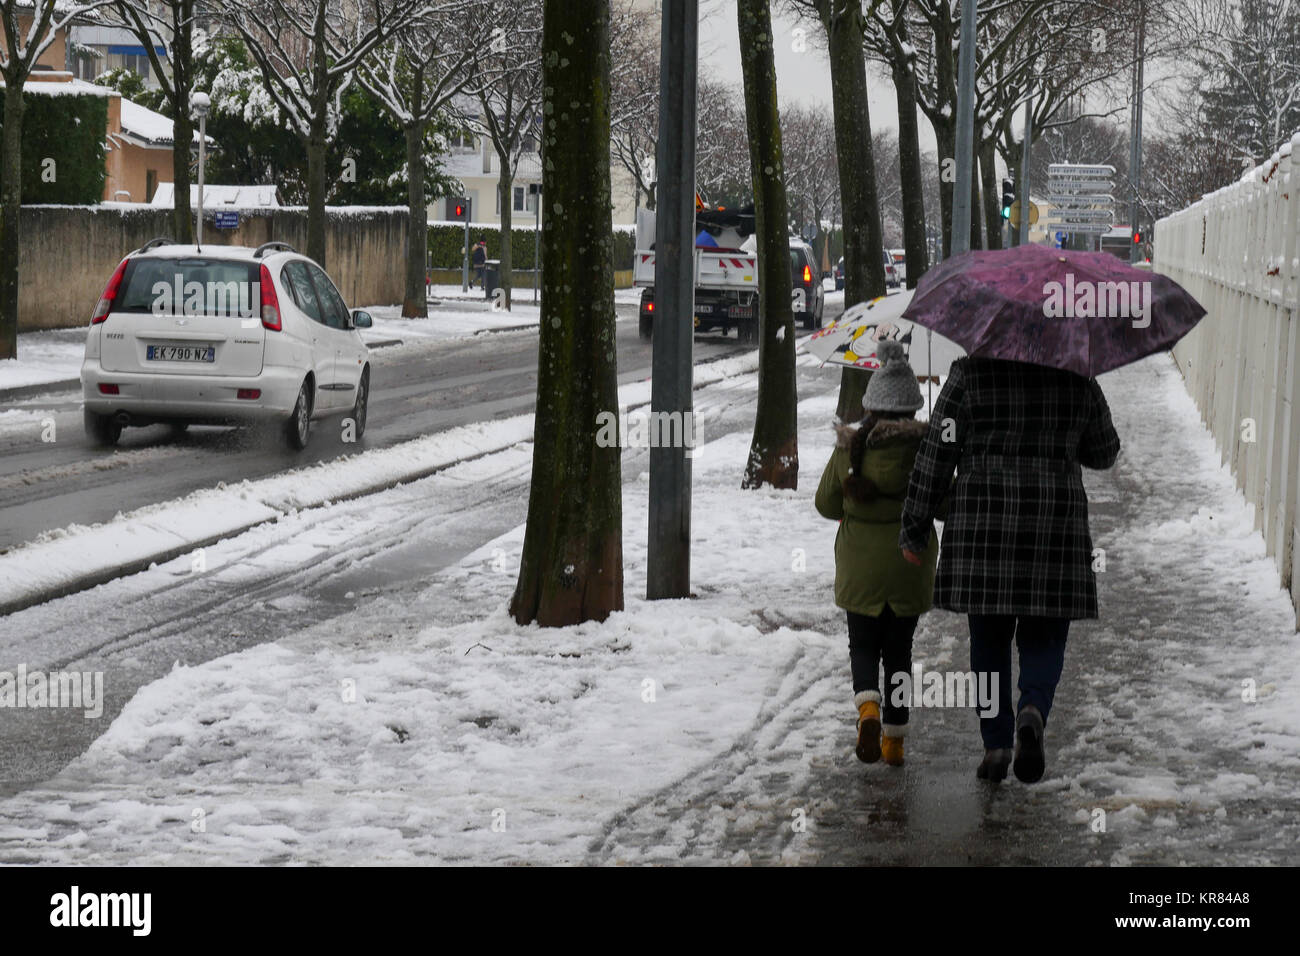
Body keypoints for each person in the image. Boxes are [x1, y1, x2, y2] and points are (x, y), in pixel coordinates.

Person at [898, 357, 1120, 784]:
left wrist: (914, 526)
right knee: (1045, 633)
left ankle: (995, 745)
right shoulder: (1076, 374)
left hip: (985, 527)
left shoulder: (969, 374)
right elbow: (1104, 452)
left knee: (988, 639)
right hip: (1054, 526)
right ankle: (1032, 711)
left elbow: (937, 453)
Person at [815, 341, 941, 767]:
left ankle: (867, 710)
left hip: (859, 568)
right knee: (900, 653)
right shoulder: (926, 450)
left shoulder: (851, 448)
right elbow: (944, 503)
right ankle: (894, 743)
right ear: (911, 407)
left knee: (863, 646)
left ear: (872, 404)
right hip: (911, 563)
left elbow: (826, 504)